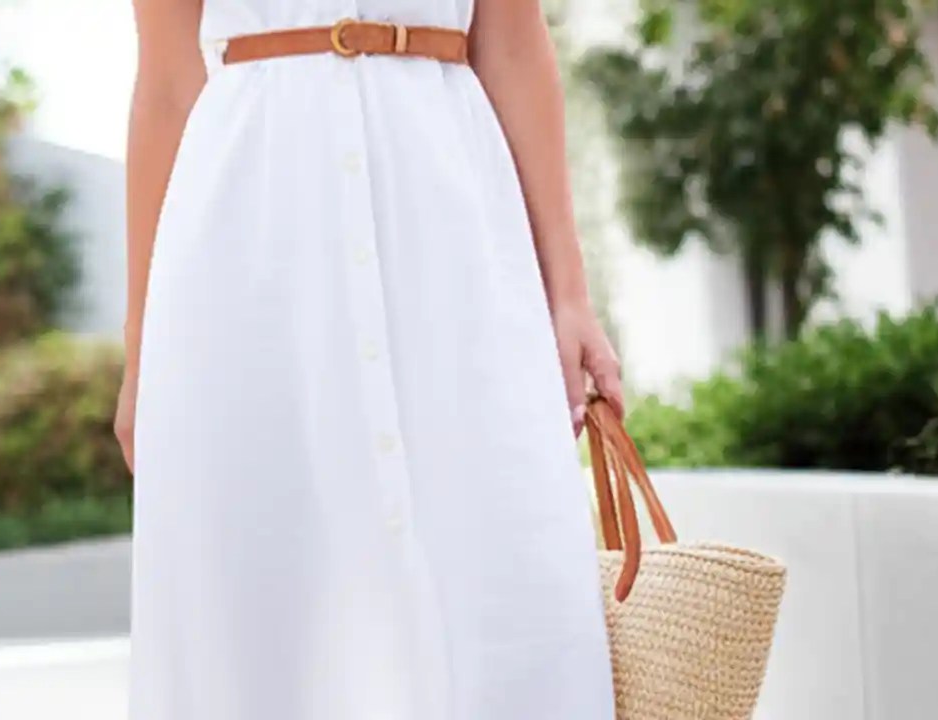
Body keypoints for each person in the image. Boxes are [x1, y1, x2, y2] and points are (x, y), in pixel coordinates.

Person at [117, 1, 623, 718]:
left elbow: (513, 48)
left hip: (458, 236)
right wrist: (142, 354)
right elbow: (167, 84)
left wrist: (570, 296)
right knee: (268, 589)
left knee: (507, 572)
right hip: (246, 244)